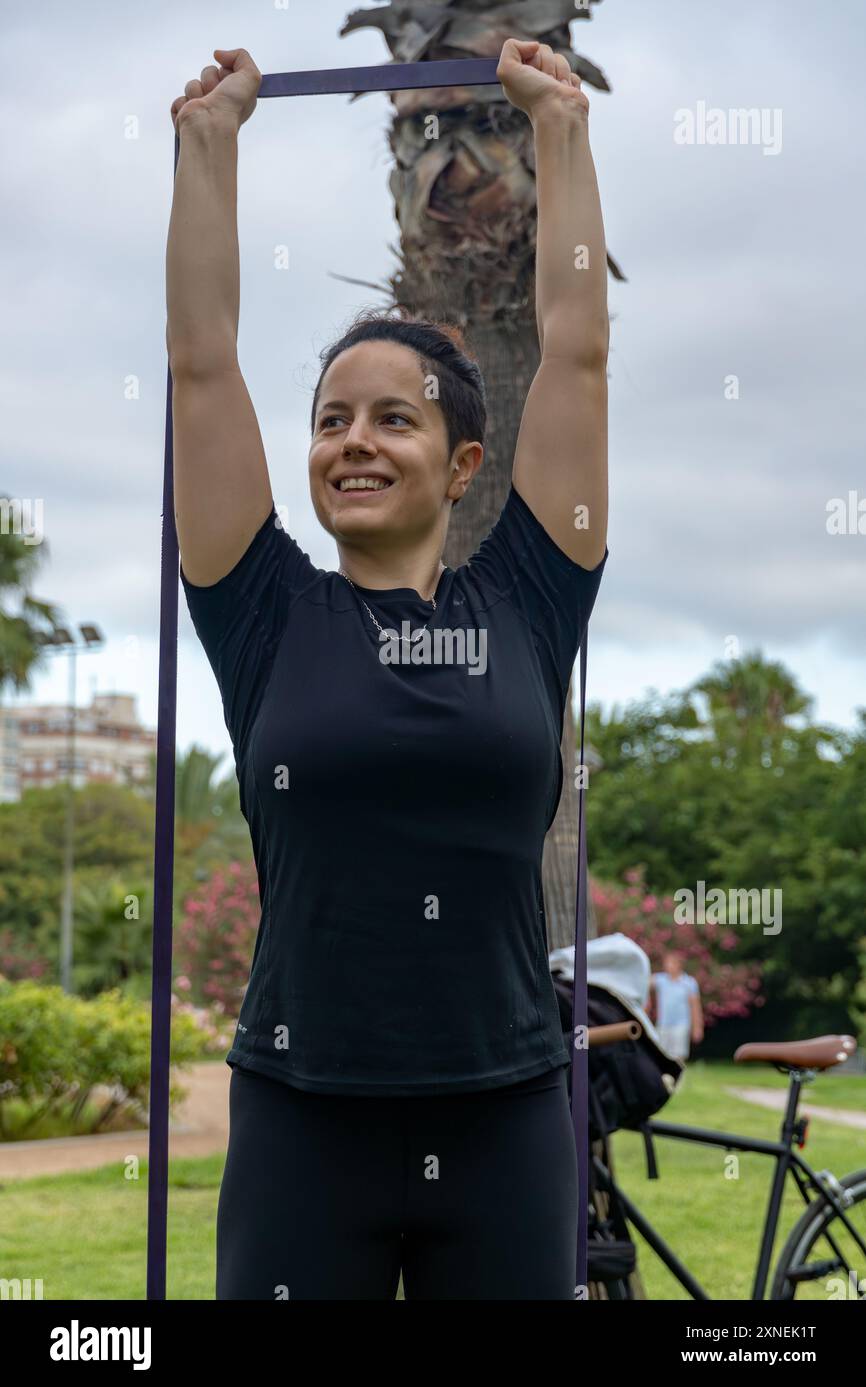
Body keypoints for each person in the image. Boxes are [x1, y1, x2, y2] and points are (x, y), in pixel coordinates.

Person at [167, 37, 609, 1300]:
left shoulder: (529, 594)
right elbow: (200, 359)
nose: (352, 442)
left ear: (463, 462)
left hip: (505, 1115)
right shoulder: (260, 612)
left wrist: (560, 135)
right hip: (306, 1119)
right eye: (330, 420)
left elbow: (573, 346)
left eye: (392, 417)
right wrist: (208, 146)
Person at [648, 951, 704, 1062]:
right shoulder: (660, 980)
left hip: (681, 1024)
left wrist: (697, 1027)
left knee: (679, 1055)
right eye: (666, 963)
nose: (667, 966)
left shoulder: (689, 983)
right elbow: (643, 983)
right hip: (663, 1023)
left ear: (679, 964)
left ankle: (678, 1079)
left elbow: (695, 1007)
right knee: (661, 1054)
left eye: (671, 963)